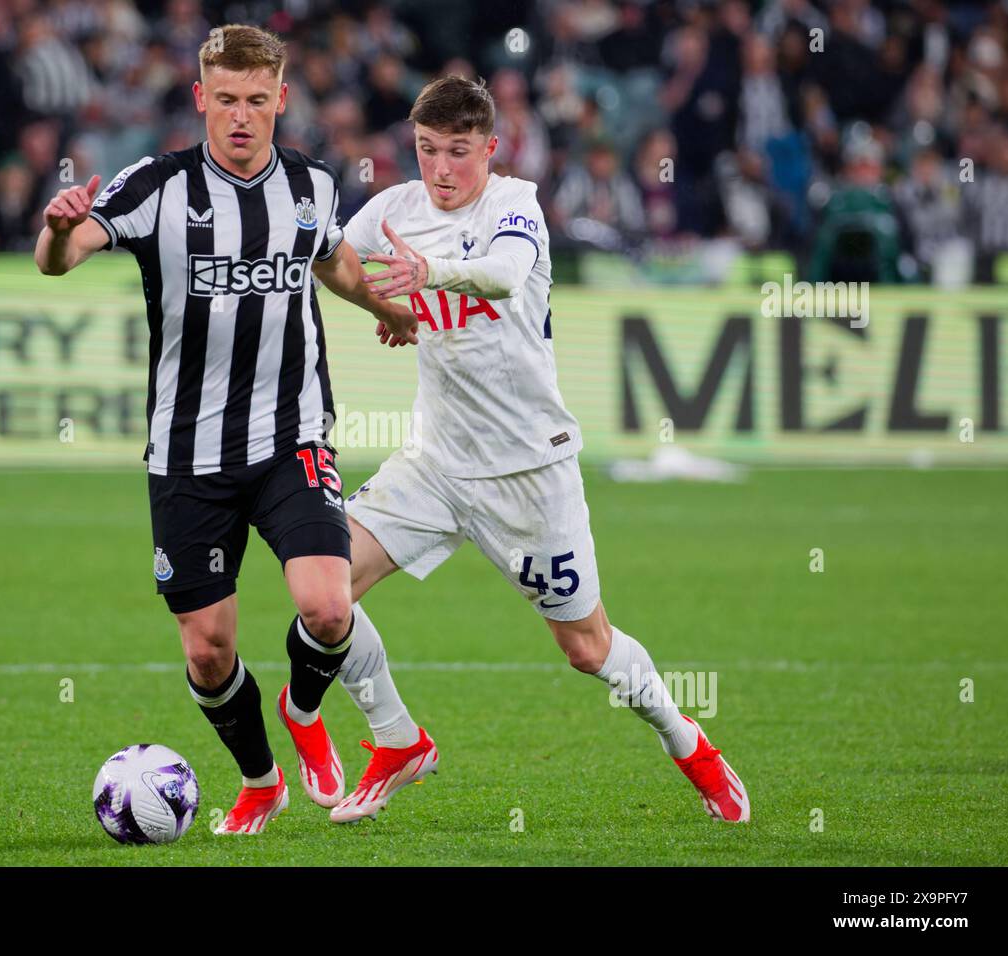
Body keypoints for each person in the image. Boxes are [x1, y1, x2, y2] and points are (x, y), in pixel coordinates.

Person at [309, 75, 751, 824]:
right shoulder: (394, 208)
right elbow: (330, 260)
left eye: (457, 152)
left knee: (587, 648)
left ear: (490, 148)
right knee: (323, 594)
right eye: (425, 151)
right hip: (436, 463)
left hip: (528, 473)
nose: (441, 169)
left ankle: (690, 744)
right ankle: (397, 740)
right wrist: (387, 306)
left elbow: (505, 278)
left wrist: (428, 275)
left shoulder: (515, 203)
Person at [33, 24, 415, 835]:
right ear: (202, 99)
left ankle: (304, 714)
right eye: (226, 101)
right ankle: (261, 778)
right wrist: (62, 226)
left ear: (281, 99)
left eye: (257, 101)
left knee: (327, 606)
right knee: (207, 650)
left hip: (292, 437)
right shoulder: (157, 187)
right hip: (187, 454)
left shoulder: (310, 185)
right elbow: (61, 258)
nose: (241, 117)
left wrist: (383, 304)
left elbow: (333, 259)